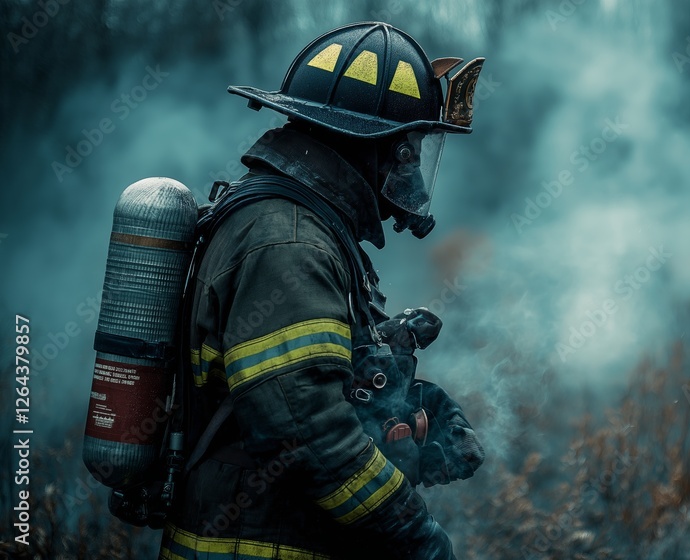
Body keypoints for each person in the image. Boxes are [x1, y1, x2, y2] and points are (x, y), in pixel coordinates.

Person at [158, 21, 486, 559]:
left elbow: (298, 385)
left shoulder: (299, 227)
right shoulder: (289, 243)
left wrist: (403, 404)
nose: (415, 173)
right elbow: (304, 431)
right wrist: (414, 535)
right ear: (379, 148)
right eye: (411, 149)